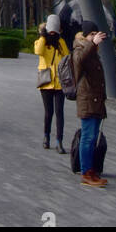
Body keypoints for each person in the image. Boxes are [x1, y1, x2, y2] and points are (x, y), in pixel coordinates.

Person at [72, 19, 109, 187]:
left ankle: (91, 171)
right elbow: (79, 63)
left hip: (95, 100)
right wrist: (92, 44)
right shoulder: (80, 48)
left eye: (96, 34)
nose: (95, 37)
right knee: (87, 137)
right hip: (87, 100)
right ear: (85, 35)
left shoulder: (91, 50)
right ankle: (86, 172)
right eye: (92, 34)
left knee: (92, 137)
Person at [34, 15, 68, 153]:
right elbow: (38, 51)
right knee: (49, 112)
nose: (53, 33)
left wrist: (59, 39)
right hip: (46, 82)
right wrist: (43, 35)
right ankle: (46, 136)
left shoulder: (61, 42)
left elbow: (67, 56)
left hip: (60, 83)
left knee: (60, 113)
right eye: (51, 30)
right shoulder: (41, 41)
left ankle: (59, 141)